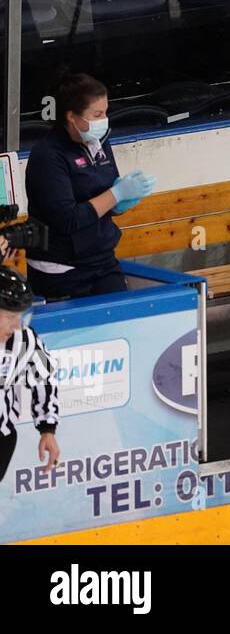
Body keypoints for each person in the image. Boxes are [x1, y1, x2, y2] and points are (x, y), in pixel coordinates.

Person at [24, 72, 157, 301]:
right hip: (61, 268)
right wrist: (116, 194)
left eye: (106, 112)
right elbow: (68, 219)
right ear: (72, 117)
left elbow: (105, 201)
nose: (104, 120)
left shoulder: (100, 143)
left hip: (101, 259)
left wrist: (123, 202)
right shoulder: (48, 156)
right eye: (97, 115)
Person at [0, 268, 59, 482]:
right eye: (9, 317)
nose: (17, 325)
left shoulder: (23, 339)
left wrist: (47, 428)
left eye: (21, 317)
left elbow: (44, 379)